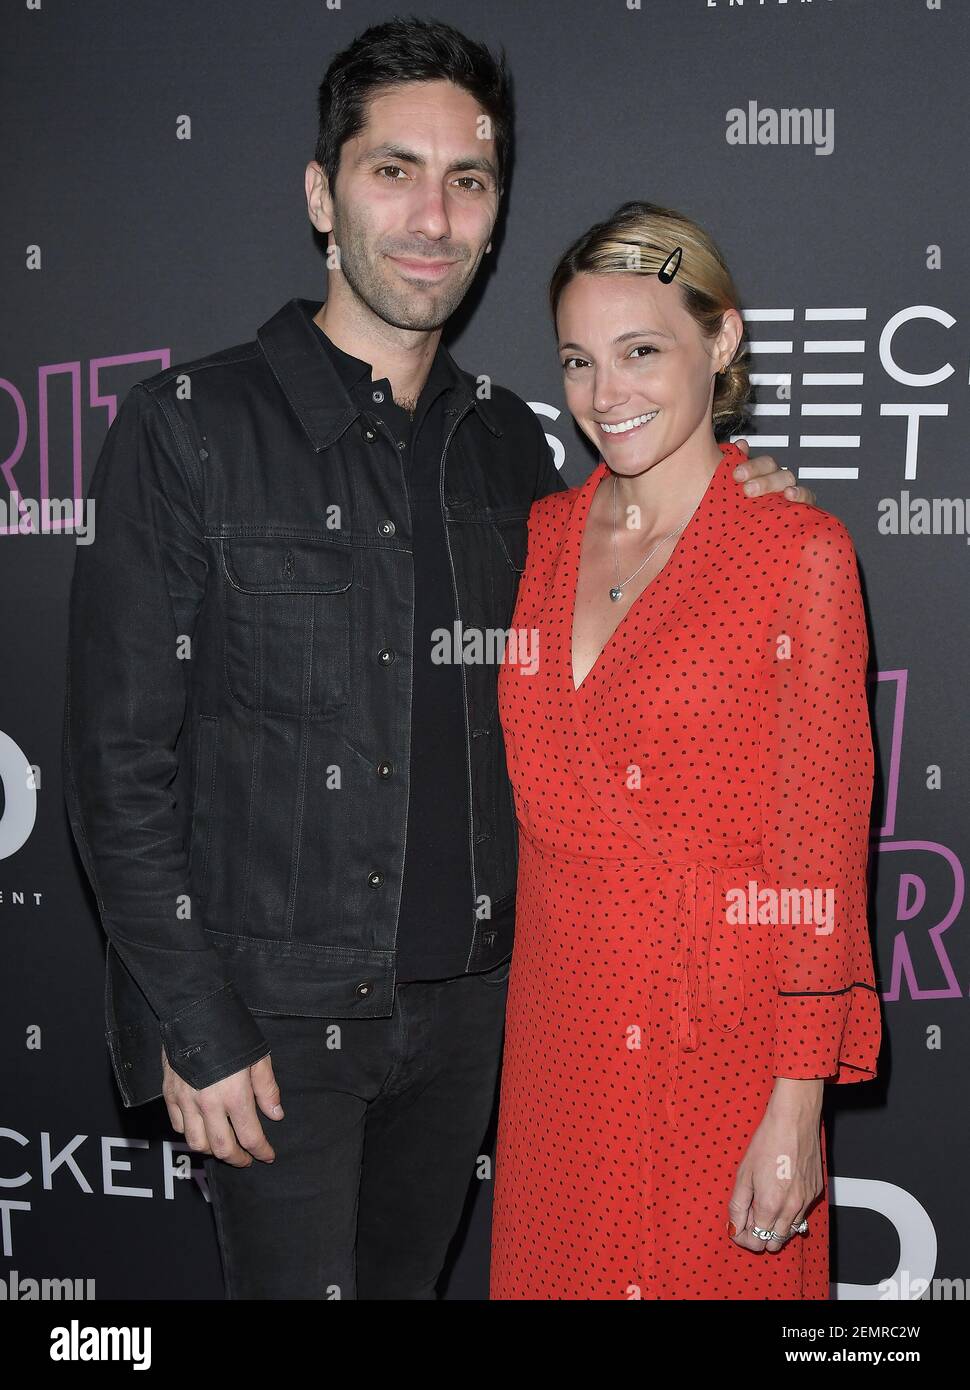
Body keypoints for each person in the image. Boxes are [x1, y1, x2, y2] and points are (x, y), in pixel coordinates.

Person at [62, 20, 810, 1301]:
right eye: (391, 170)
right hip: (277, 1019)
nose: (431, 215)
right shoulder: (192, 429)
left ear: (495, 211)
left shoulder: (512, 451)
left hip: (481, 1016)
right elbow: (118, 759)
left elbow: (644, 577)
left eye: (468, 180)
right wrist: (190, 1017)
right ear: (320, 192)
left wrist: (744, 501)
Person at [489, 200, 882, 1300]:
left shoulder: (795, 550)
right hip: (558, 1051)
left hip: (718, 1053)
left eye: (642, 351)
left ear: (723, 341)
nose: (605, 394)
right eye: (577, 360)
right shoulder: (544, 535)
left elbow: (819, 857)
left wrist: (795, 1105)